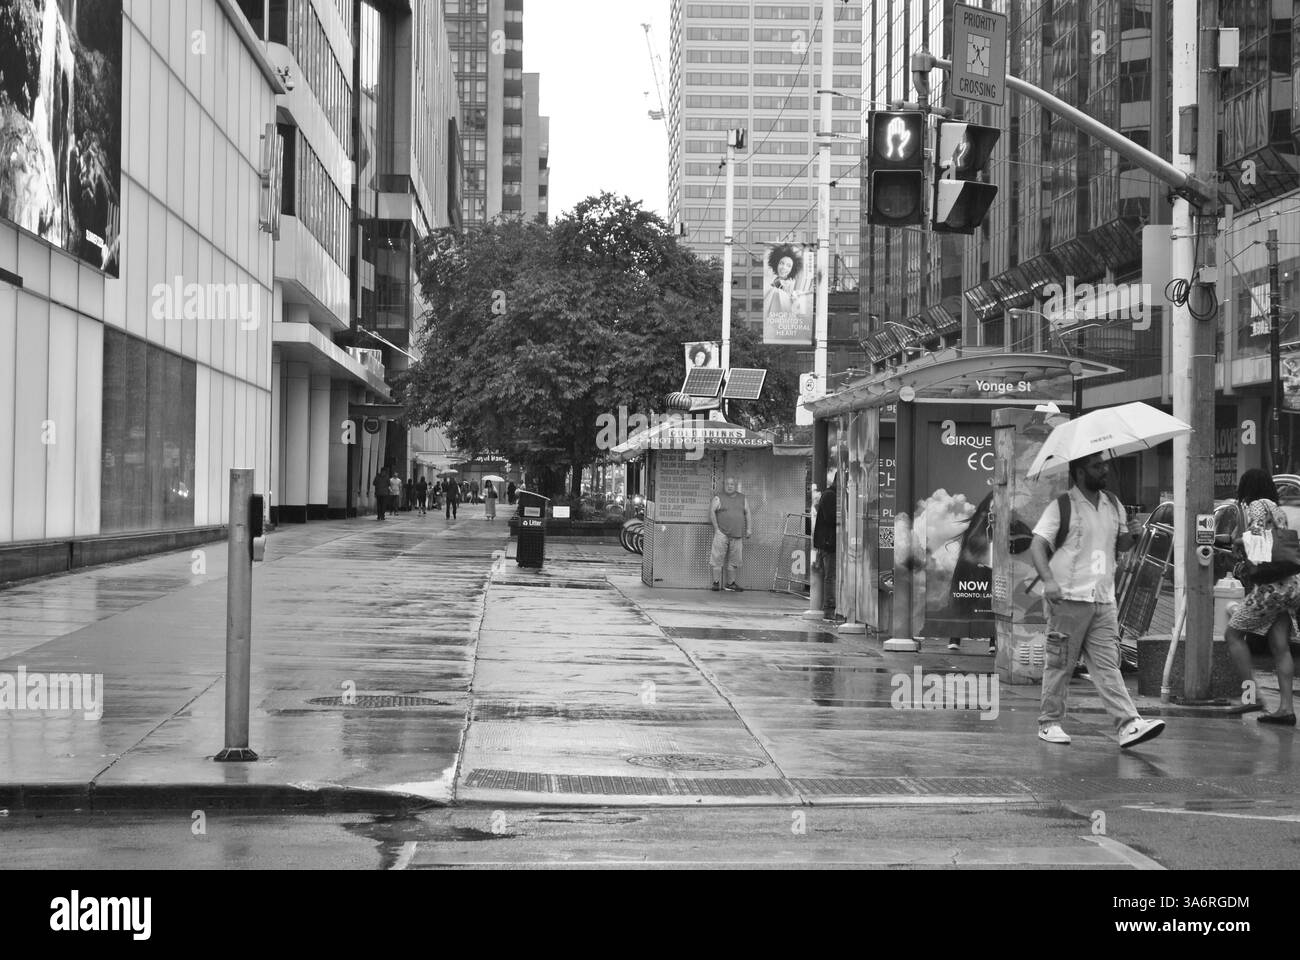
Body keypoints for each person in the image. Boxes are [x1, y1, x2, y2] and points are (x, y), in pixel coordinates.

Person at [1028, 453, 1165, 748]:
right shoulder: (1062, 506)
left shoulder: (1113, 503)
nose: (1103, 470)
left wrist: (1135, 536)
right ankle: (1049, 722)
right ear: (1079, 472)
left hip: (1103, 599)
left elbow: (1121, 545)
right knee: (1060, 664)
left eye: (1104, 465)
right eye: (1096, 466)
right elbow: (1037, 544)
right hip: (1067, 598)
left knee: (1107, 666)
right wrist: (1049, 581)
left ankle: (1128, 724)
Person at [1224, 469, 1299, 724]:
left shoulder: (1256, 506)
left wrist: (1238, 544)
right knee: (1280, 646)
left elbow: (1257, 542)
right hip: (1290, 586)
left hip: (1270, 587)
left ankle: (1251, 696)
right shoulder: (1278, 509)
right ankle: (1286, 709)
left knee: (1233, 634)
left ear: (1249, 488)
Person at [709, 475, 751, 592]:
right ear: (724, 485)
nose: (729, 486)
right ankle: (716, 583)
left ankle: (730, 584)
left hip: (737, 534)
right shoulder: (718, 497)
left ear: (735, 485)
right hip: (721, 533)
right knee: (717, 559)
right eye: (727, 484)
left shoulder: (742, 498)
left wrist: (749, 529)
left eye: (732, 484)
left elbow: (747, 513)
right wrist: (716, 528)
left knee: (735, 561)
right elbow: (712, 511)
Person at [813, 469, 838, 620]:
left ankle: (830, 606)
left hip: (827, 542)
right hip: (829, 542)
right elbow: (831, 518)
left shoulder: (831, 494)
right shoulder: (831, 495)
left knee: (830, 575)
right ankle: (829, 608)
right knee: (831, 576)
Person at [764, 244, 811, 317]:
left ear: (792, 269)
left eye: (788, 266)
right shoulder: (774, 280)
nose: (784, 267)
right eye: (781, 263)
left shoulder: (790, 283)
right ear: (776, 264)